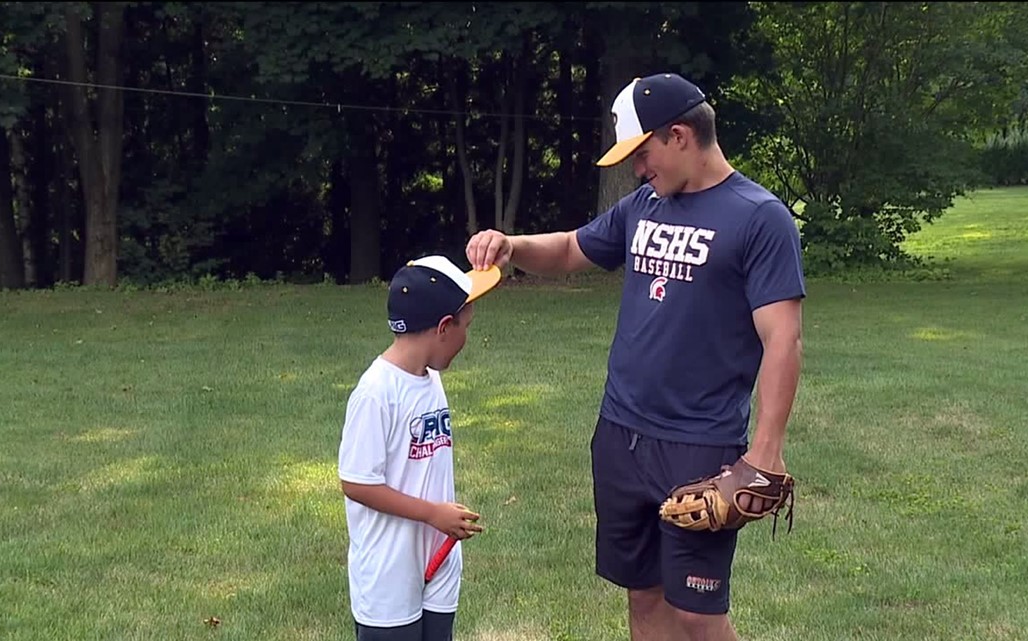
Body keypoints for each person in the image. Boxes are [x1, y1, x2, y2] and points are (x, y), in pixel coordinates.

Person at [466, 72, 806, 641]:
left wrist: (764, 455)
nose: (638, 170)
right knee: (644, 597)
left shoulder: (759, 218)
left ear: (679, 136)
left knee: (698, 613)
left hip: (700, 442)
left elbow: (783, 340)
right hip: (622, 433)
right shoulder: (645, 205)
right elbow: (574, 248)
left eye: (642, 154)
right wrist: (513, 246)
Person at [338, 255, 502, 641]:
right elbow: (356, 483)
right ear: (444, 327)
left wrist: (440, 521)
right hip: (389, 568)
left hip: (439, 555)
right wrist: (432, 513)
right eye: (466, 326)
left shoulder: (430, 379)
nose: (467, 336)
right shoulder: (376, 393)